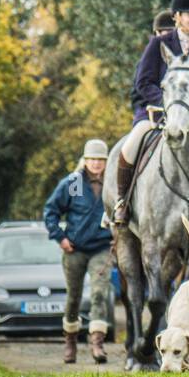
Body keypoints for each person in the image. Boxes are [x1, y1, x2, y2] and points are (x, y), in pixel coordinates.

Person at [112, 0, 189, 225]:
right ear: (176, 17)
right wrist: (171, 105)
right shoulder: (159, 43)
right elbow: (143, 81)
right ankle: (123, 200)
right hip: (159, 112)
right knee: (132, 143)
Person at [44, 139, 114, 364]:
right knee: (73, 297)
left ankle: (97, 343)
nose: (96, 164)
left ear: (106, 162)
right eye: (92, 159)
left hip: (102, 248)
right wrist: (60, 238)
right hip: (74, 249)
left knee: (99, 294)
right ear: (85, 160)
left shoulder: (113, 183)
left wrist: (118, 237)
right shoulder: (73, 183)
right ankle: (70, 342)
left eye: (100, 160)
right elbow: (51, 211)